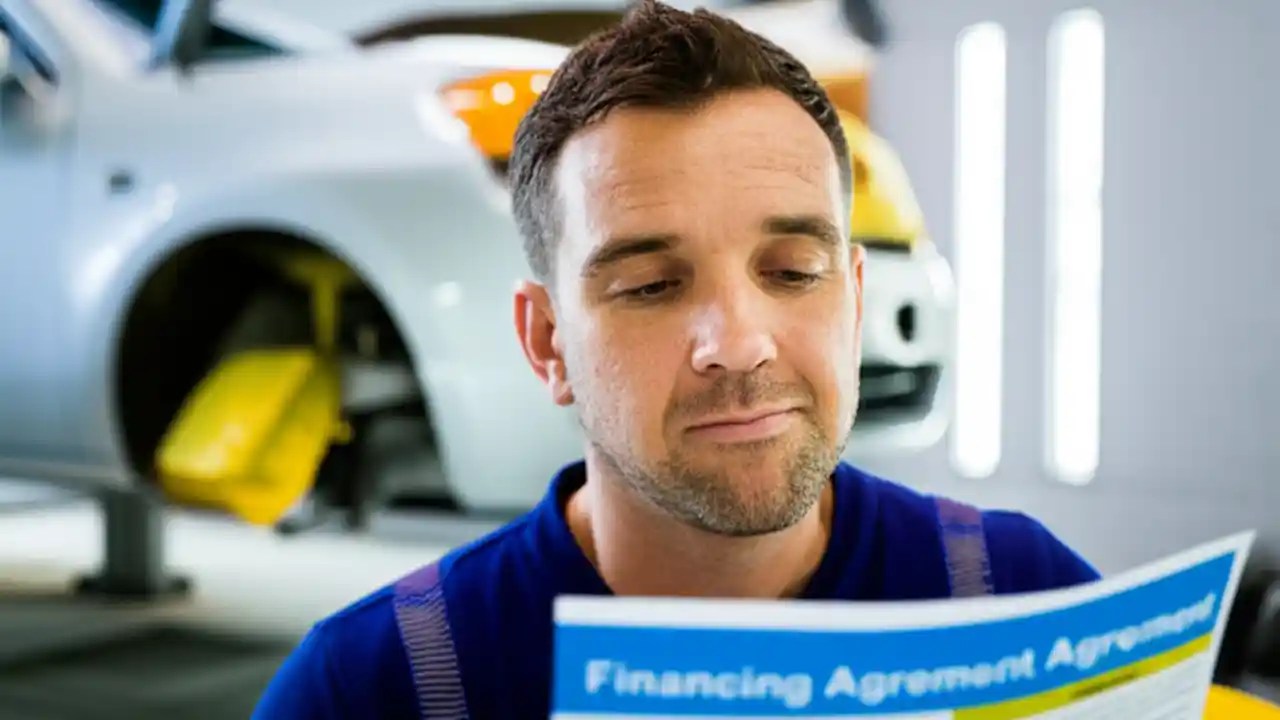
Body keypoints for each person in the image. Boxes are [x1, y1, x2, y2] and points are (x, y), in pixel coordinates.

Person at [253, 1, 1100, 717]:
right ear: (548, 342)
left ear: (854, 302)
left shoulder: (1025, 602)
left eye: (793, 273)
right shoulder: (372, 689)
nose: (737, 343)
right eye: (653, 285)